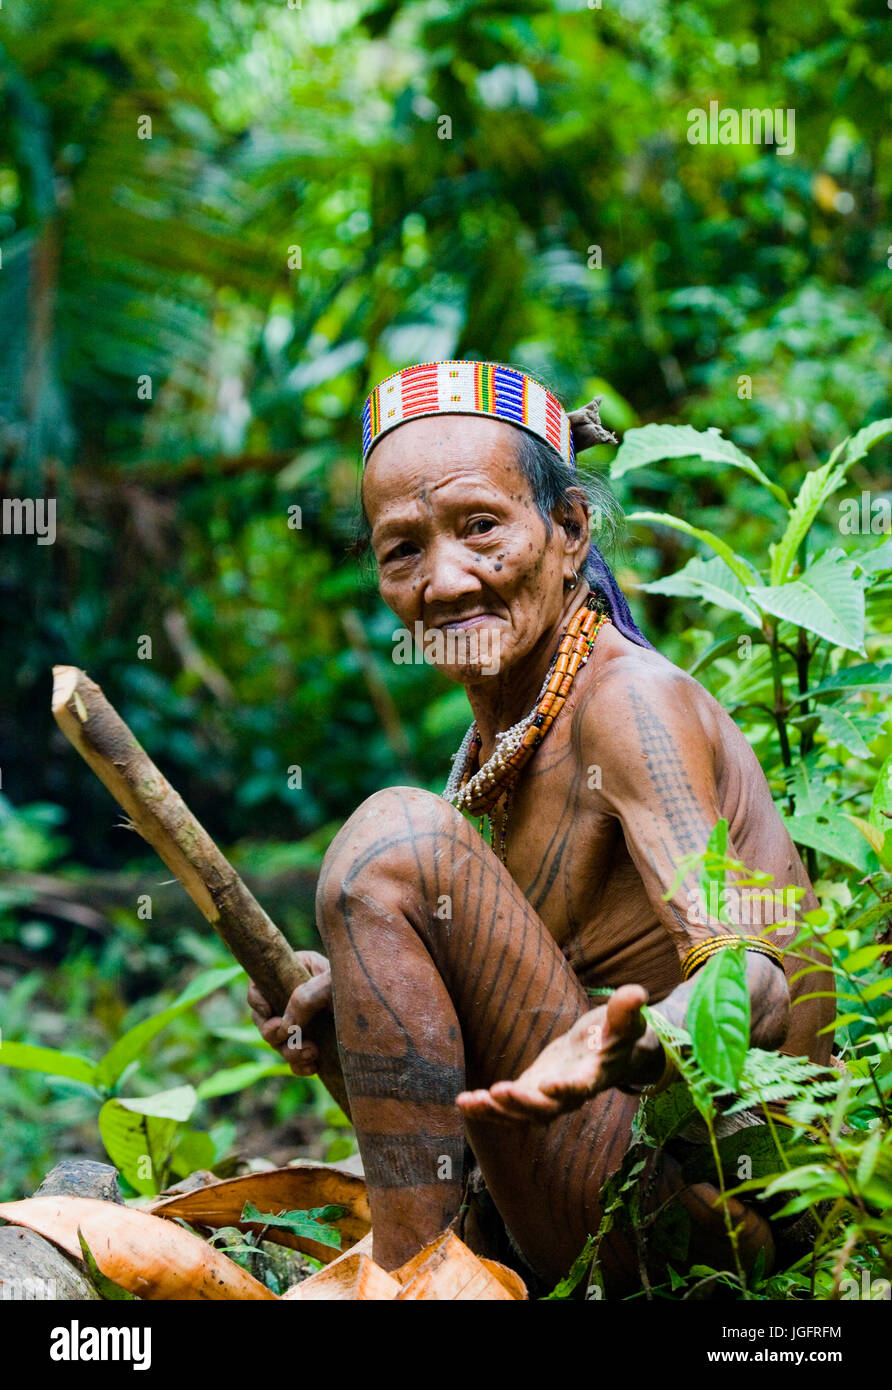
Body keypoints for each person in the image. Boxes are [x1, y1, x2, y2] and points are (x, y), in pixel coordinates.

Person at [249, 360, 834, 1291]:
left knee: (393, 839)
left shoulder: (629, 705)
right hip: (597, 1201)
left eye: (482, 527)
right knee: (398, 856)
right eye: (403, 549)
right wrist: (377, 995)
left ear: (568, 532)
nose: (444, 581)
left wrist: (647, 1042)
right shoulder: (508, 735)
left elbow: (752, 978)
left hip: (708, 1238)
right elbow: (534, 982)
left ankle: (413, 1282)